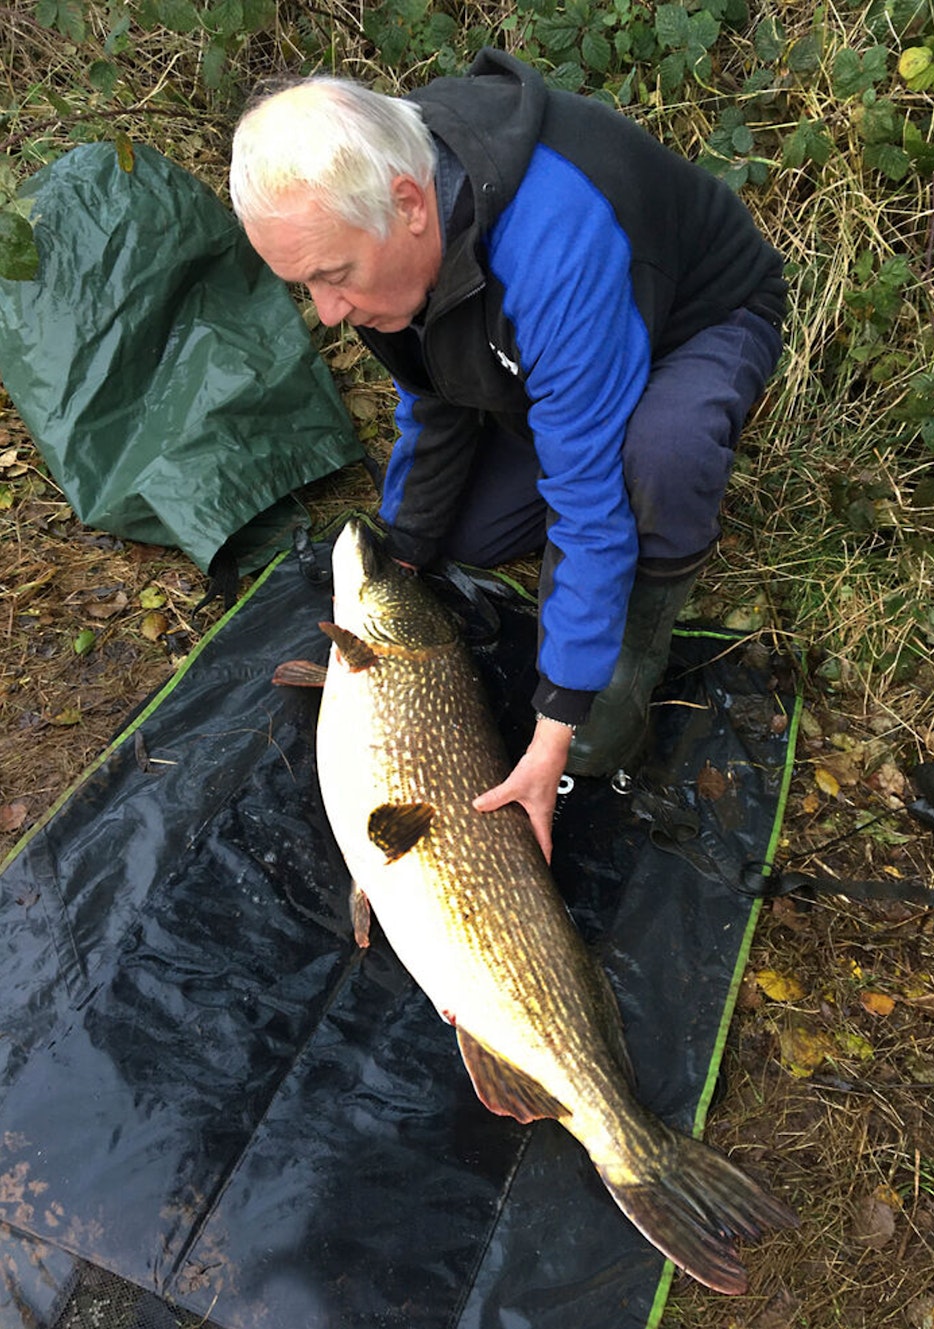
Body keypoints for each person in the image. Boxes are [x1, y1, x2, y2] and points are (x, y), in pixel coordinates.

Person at [229, 48, 787, 863]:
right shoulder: (382, 207)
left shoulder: (557, 244)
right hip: (561, 341)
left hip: (695, 319)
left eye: (333, 276)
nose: (326, 311)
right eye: (303, 286)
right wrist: (405, 555)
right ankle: (555, 426)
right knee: (468, 538)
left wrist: (559, 716)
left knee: (653, 462)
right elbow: (435, 393)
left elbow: (586, 508)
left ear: (411, 205)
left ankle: (636, 635)